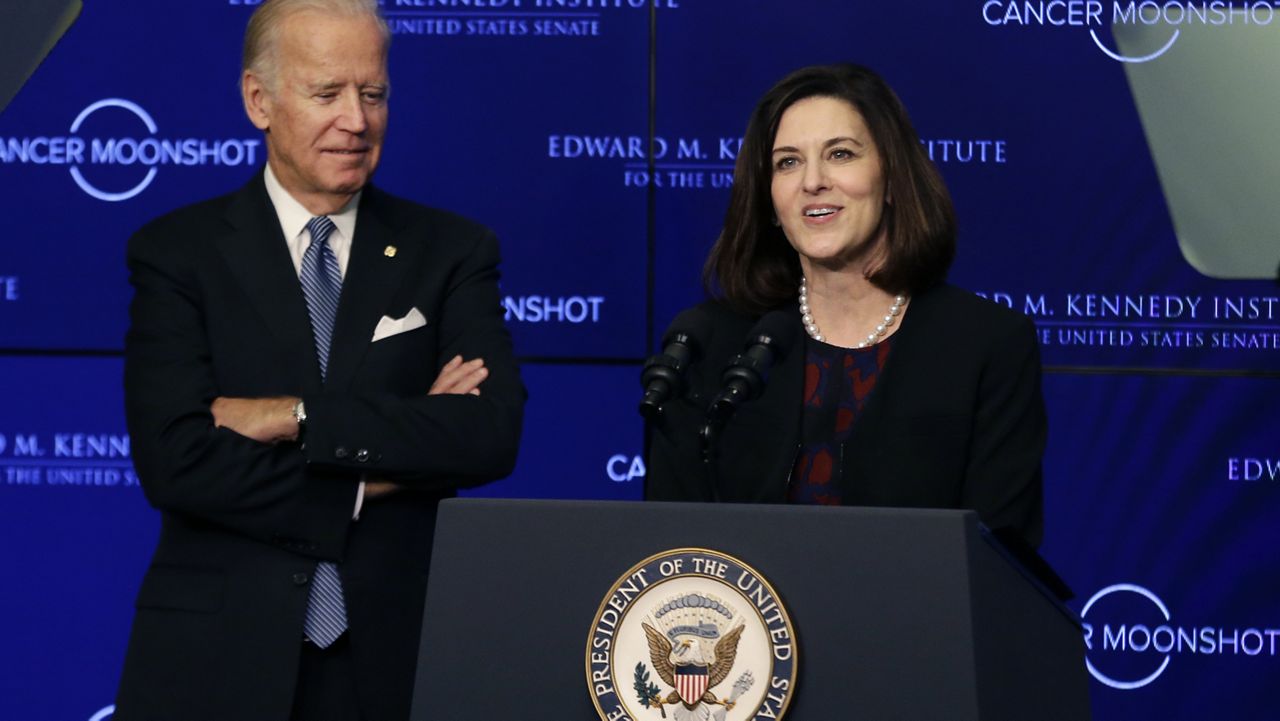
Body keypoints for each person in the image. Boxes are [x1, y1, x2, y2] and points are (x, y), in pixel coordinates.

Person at [113, 1, 525, 719]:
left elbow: (486, 433)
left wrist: (293, 416)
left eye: (373, 93)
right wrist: (375, 476)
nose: (357, 120)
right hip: (213, 663)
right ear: (258, 100)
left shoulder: (452, 251)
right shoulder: (177, 253)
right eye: (327, 93)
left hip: (404, 656)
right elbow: (176, 458)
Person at [644, 63, 1046, 549]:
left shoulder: (985, 344)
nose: (813, 181)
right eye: (788, 162)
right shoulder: (712, 344)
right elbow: (670, 555)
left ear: (893, 179)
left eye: (840, 154)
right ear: (771, 201)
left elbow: (1000, 558)